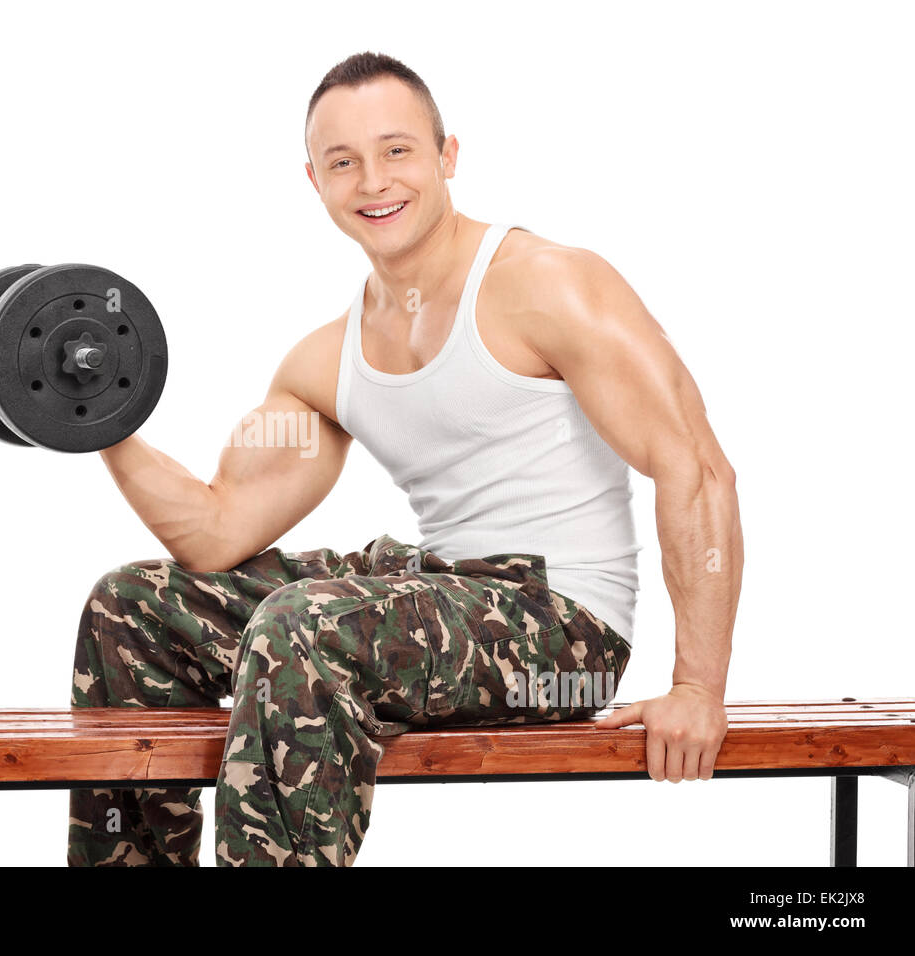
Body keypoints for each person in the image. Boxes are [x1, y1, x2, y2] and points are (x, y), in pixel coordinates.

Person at [67, 51, 743, 866]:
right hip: (431, 591)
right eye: (342, 162)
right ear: (313, 182)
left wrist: (698, 690)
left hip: (561, 630)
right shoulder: (326, 361)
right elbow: (215, 532)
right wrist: (97, 415)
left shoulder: (549, 285)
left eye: (397, 151)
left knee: (303, 628)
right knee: (133, 606)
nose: (373, 182)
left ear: (447, 156)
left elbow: (696, 468)